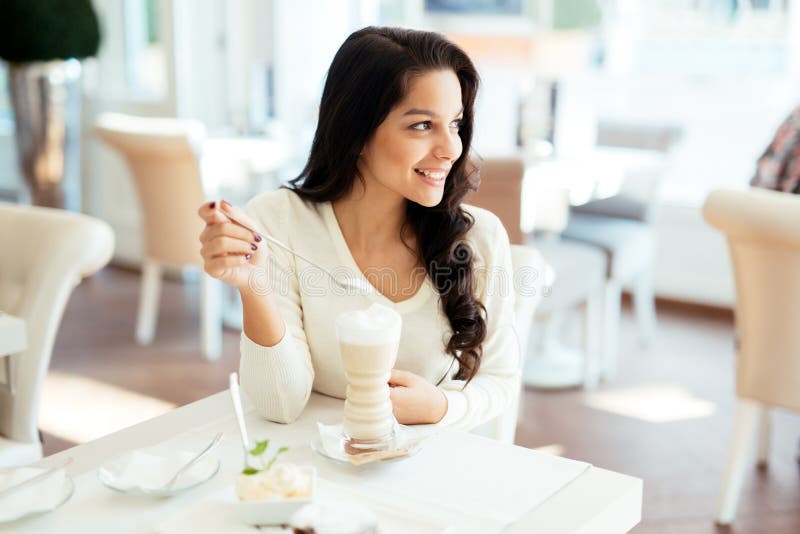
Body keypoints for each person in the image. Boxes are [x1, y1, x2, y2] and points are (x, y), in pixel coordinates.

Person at [197, 26, 518, 431]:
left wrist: (440, 408)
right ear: (357, 131)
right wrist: (253, 286)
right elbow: (280, 404)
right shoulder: (278, 222)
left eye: (455, 123)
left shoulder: (479, 239)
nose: (451, 148)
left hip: (426, 461)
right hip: (314, 464)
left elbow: (500, 381)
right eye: (422, 125)